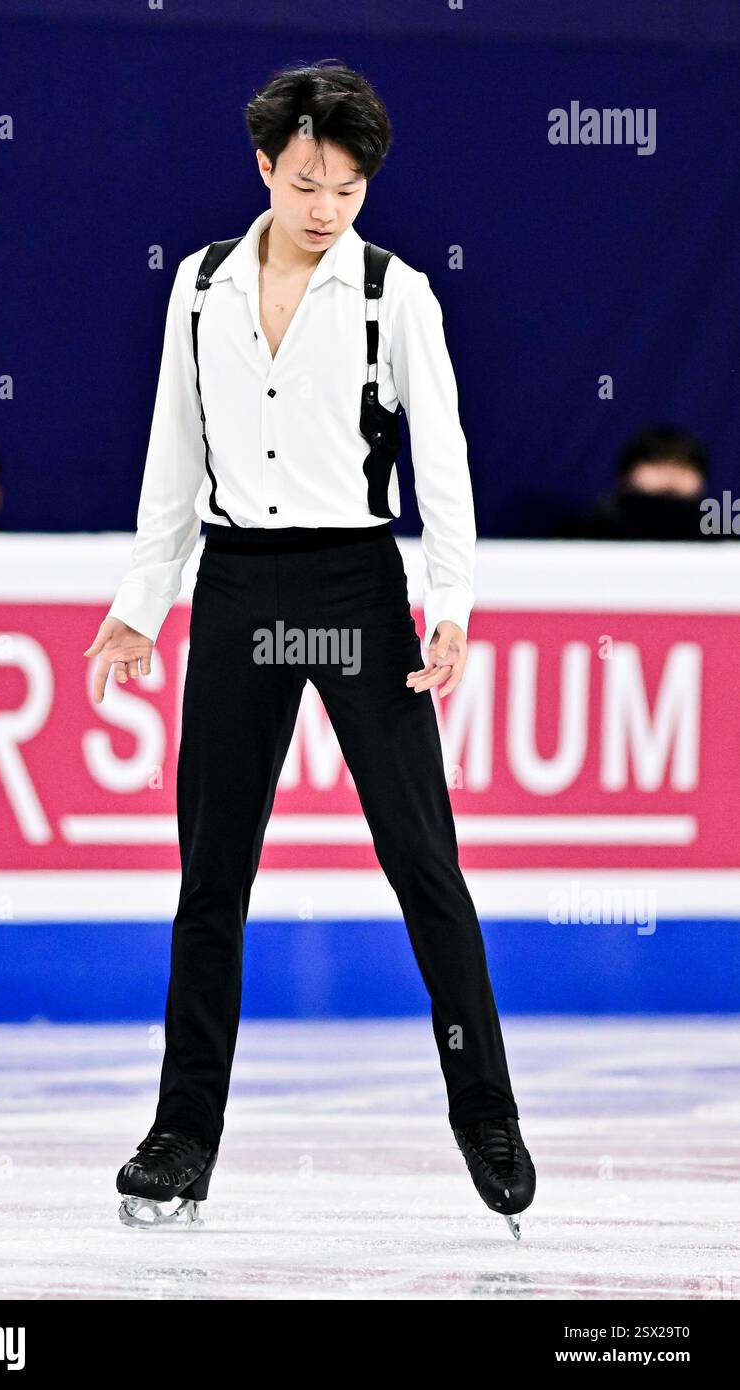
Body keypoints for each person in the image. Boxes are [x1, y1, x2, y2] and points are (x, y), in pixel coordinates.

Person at [84, 59, 535, 1237]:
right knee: (210, 879)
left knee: (421, 863)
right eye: (303, 183)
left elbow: (443, 461)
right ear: (263, 167)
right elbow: (170, 464)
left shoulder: (396, 296)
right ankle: (181, 1134)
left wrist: (451, 604)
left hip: (352, 581)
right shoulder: (196, 289)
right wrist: (143, 601)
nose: (324, 208)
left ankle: (485, 1110)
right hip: (235, 586)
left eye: (346, 188)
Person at [554, 423, 715, 540]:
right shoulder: (582, 535)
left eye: (683, 466)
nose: (670, 475)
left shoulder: (722, 541)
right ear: (626, 475)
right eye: (657, 463)